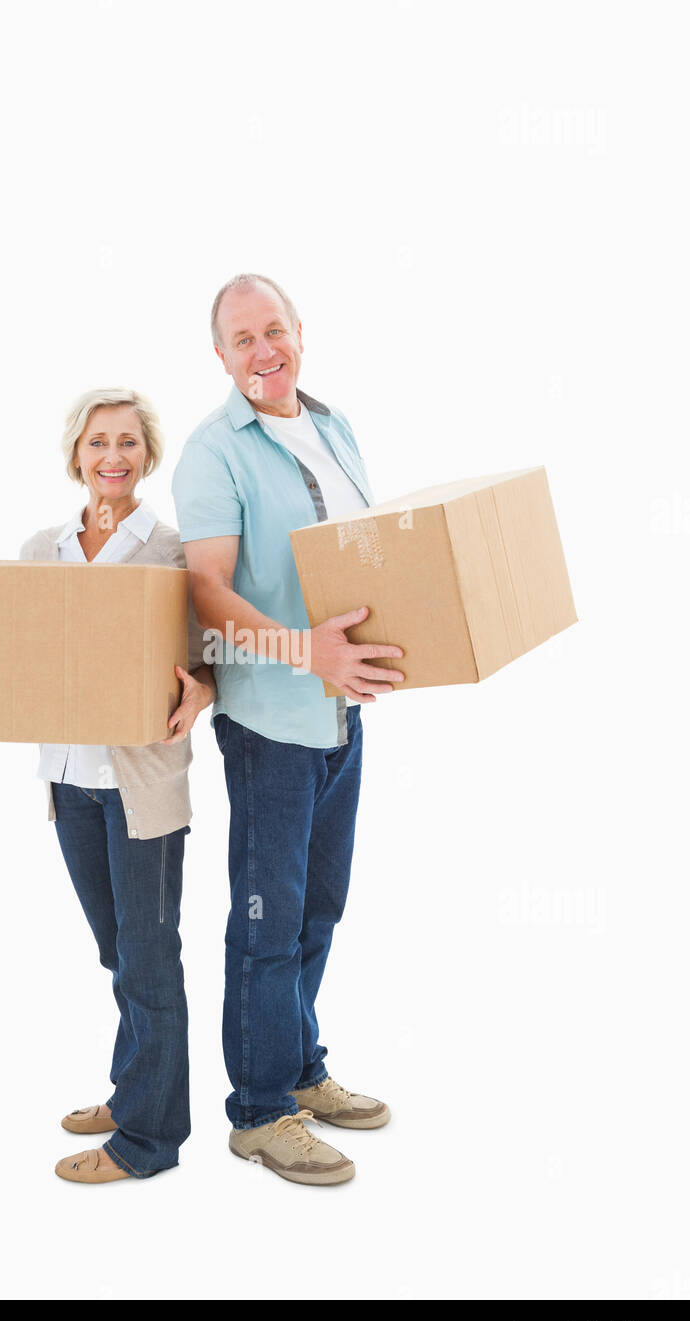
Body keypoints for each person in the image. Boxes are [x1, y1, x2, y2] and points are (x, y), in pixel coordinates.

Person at [172, 274, 405, 1187]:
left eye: (274, 331)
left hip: (344, 707)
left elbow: (361, 549)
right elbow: (208, 596)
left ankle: (299, 1068)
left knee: (321, 904)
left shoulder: (333, 424)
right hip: (273, 719)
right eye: (242, 339)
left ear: (300, 333)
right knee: (268, 920)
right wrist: (308, 654)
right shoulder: (211, 453)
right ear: (222, 357)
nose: (262, 351)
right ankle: (260, 1111)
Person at [19, 387, 215, 1184]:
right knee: (117, 952)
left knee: (148, 957)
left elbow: (210, 649)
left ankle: (149, 1139)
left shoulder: (169, 549)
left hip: (141, 787)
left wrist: (202, 687)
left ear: (147, 456)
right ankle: (137, 1085)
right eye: (99, 442)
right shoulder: (43, 549)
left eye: (128, 443)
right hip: (68, 780)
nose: (113, 456)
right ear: (77, 454)